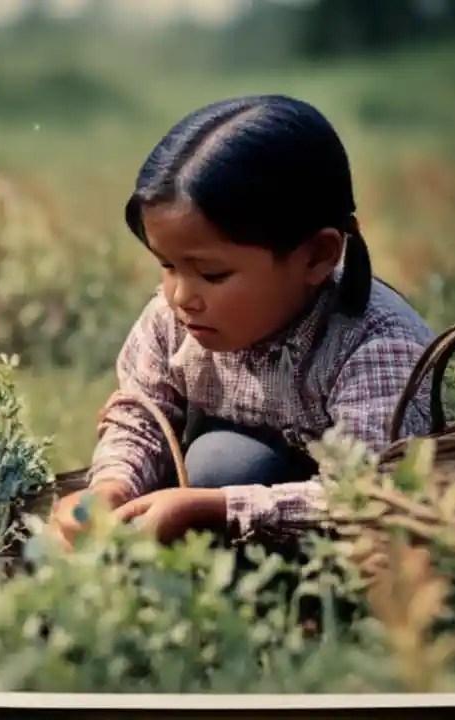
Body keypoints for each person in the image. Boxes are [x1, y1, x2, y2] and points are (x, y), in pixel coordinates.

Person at [49, 95, 435, 550]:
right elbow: (140, 415)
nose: (181, 296)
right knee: (215, 462)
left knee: (224, 465)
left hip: (336, 547)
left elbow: (369, 495)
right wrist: (111, 487)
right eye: (168, 266)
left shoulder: (375, 345)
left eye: (212, 274)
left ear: (316, 256)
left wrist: (214, 508)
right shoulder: (174, 320)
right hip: (215, 499)